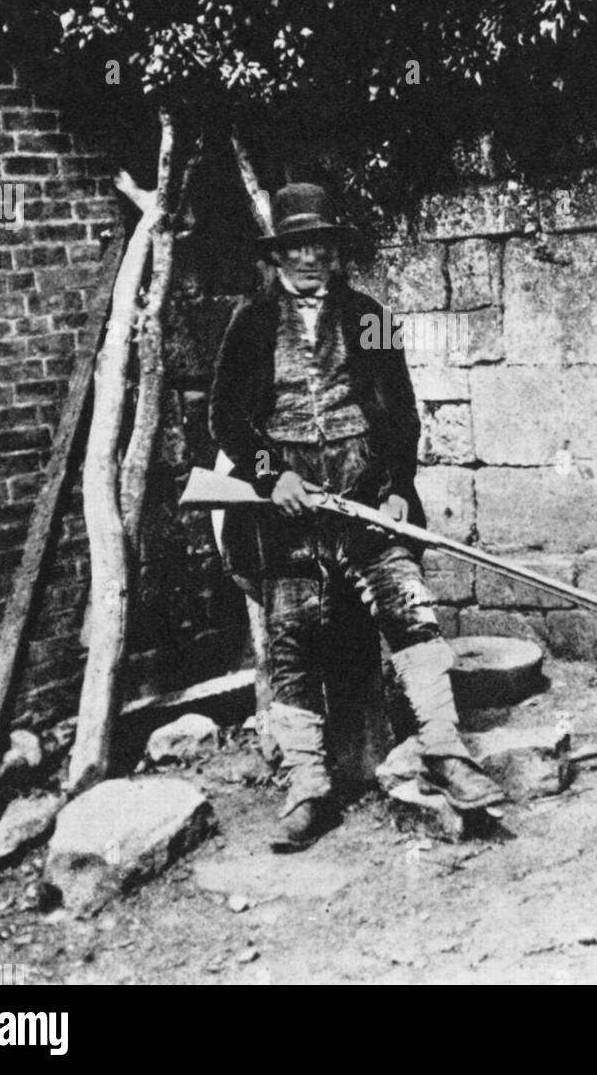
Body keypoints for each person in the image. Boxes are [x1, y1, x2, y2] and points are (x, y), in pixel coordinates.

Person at [209, 183, 505, 850]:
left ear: (334, 253)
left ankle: (444, 749)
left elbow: (399, 412)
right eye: (295, 246)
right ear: (278, 254)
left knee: (410, 607)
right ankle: (308, 784)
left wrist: (397, 485)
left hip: (365, 497)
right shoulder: (249, 324)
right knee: (291, 635)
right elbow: (225, 416)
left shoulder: (369, 314)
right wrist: (270, 474)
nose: (308, 258)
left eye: (319, 245)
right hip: (288, 510)